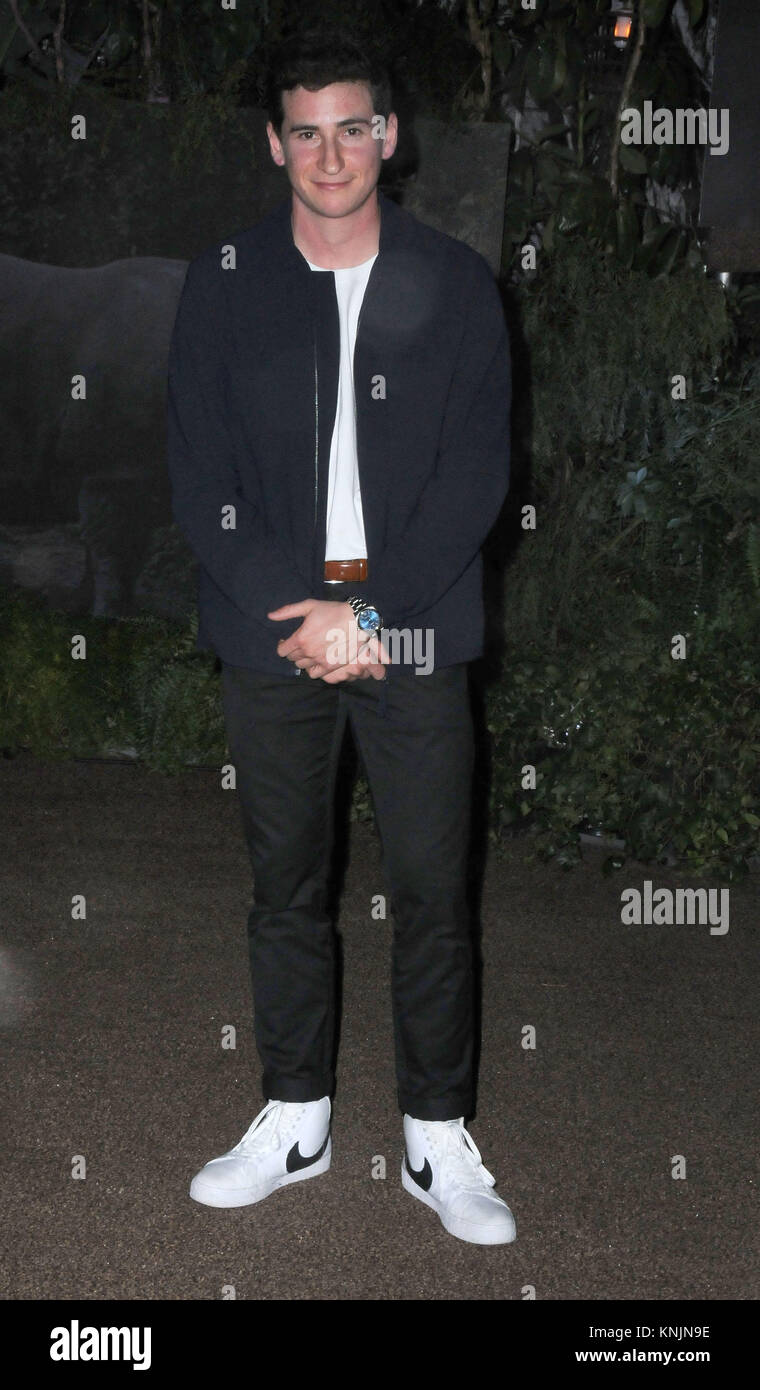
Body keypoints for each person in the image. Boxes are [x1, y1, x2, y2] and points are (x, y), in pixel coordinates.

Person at [166, 27, 515, 1246]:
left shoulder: (460, 283)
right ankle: (295, 1116)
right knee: (286, 890)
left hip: (413, 625)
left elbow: (475, 481)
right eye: (305, 129)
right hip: (276, 625)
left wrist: (369, 613)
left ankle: (434, 1136)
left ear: (388, 136)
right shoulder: (223, 279)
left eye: (351, 126)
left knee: (430, 890)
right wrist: (304, 611)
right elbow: (202, 475)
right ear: (276, 143)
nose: (331, 152)